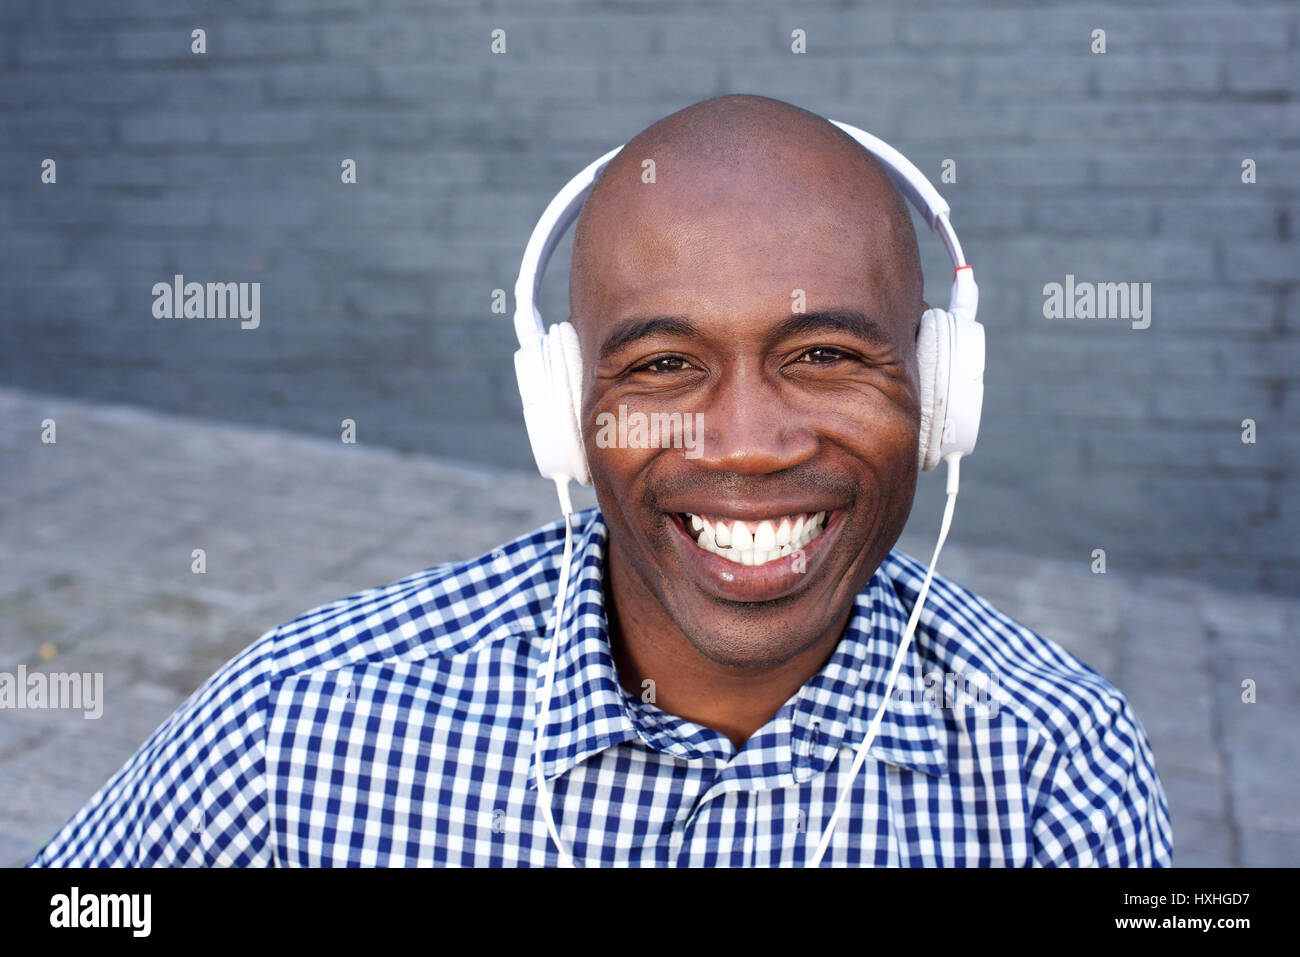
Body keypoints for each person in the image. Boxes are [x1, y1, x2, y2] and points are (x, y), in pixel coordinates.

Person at [29, 94, 1171, 867]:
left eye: (825, 356)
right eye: (666, 366)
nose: (745, 444)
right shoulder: (296, 722)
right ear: (564, 412)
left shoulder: (1054, 767)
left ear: (938, 391)